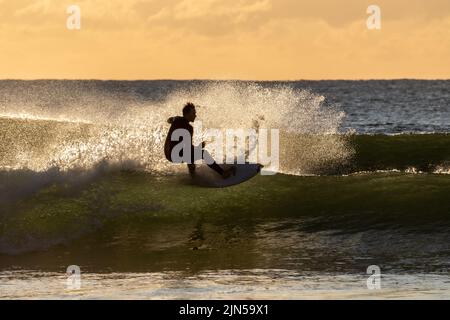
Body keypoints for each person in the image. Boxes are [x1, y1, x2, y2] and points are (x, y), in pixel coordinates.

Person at [164, 102, 235, 179]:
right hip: (174, 155)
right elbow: (189, 149)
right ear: (187, 114)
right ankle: (222, 173)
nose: (195, 115)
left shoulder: (177, 119)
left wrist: (172, 121)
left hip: (167, 152)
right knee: (203, 153)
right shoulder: (189, 128)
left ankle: (192, 174)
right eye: (193, 113)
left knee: (190, 155)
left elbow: (169, 120)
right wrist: (200, 147)